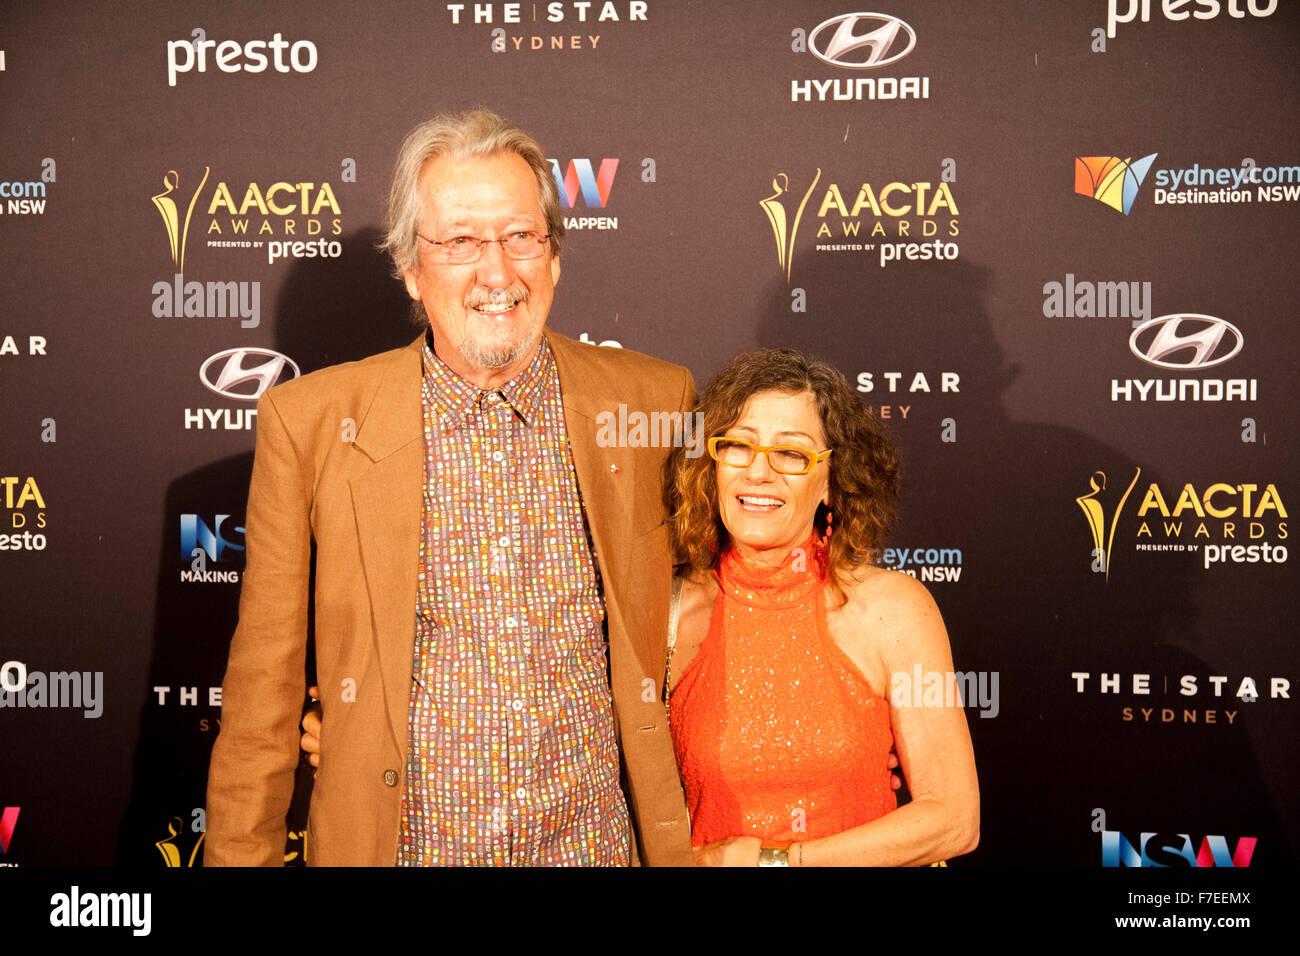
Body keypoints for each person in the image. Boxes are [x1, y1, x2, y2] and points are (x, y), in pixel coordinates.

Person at [204, 110, 697, 866]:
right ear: (410, 267)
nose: (497, 273)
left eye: (520, 237)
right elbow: (261, 703)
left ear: (555, 255)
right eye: (460, 241)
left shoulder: (653, 404)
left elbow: (733, 601)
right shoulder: (309, 425)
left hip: (596, 849)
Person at [664, 348, 979, 866]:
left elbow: (954, 819)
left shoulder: (892, 610)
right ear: (711, 463)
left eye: (791, 454)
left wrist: (780, 862)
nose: (758, 473)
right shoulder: (669, 613)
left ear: (832, 479)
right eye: (738, 446)